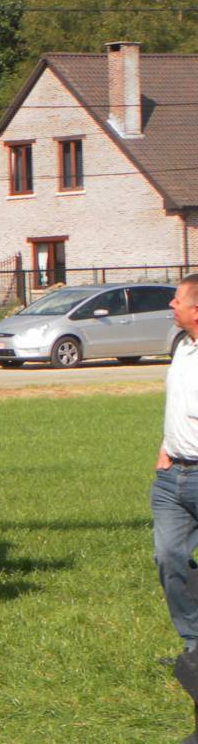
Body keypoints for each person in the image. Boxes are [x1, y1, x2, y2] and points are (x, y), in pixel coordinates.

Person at [152, 274, 198, 660]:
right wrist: (165, 446)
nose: (171, 305)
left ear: (196, 310)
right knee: (169, 557)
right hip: (172, 478)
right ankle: (194, 644)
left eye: (177, 300)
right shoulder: (182, 346)